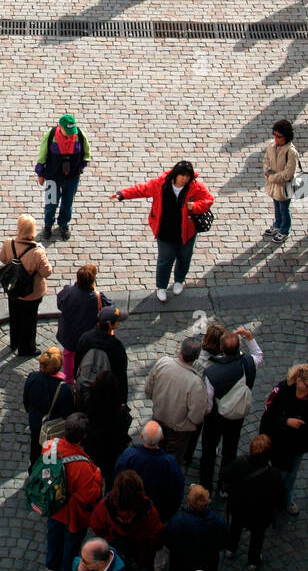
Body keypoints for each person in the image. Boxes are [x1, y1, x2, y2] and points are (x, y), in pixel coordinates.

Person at [112, 157, 213, 303]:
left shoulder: (196, 187)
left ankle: (179, 280)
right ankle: (161, 287)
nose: (184, 179)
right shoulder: (160, 184)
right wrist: (122, 194)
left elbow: (208, 200)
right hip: (165, 231)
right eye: (182, 175)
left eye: (187, 176)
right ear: (175, 174)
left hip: (186, 232)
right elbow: (141, 189)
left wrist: (195, 206)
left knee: (184, 258)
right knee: (165, 260)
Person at [199, 327, 264, 491]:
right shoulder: (249, 363)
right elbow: (258, 355)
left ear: (221, 348)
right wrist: (250, 338)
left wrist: (207, 415)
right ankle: (224, 486)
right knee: (230, 450)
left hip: (215, 418)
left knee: (208, 451)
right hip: (237, 415)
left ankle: (205, 487)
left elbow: (208, 402)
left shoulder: (212, 372)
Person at [43, 414, 104, 571]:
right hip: (72, 514)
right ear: (83, 436)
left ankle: (51, 563)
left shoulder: (49, 446)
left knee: (53, 535)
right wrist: (97, 475)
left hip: (53, 505)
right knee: (72, 543)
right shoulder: (82, 466)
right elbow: (90, 495)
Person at [259, 363, 308, 515]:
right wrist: (286, 421)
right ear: (299, 381)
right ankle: (274, 499)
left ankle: (287, 500)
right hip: (280, 443)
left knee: (292, 474)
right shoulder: (281, 392)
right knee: (280, 473)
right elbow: (268, 416)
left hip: (299, 443)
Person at [221, 434, 284, 571]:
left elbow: (224, 475)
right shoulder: (274, 474)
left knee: (235, 526)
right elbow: (279, 497)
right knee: (257, 536)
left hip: (238, 507)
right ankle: (253, 561)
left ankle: (231, 548)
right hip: (260, 514)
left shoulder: (239, 463)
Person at [146, 337, 210, 466]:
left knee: (153, 454)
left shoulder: (163, 363)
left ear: (180, 351)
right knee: (172, 461)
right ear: (196, 358)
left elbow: (148, 389)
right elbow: (196, 416)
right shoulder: (196, 383)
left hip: (158, 418)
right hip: (179, 431)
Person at [0, 214, 52, 356]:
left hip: (13, 289)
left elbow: (3, 259)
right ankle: (27, 347)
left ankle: (14, 342)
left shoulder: (8, 243)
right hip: (32, 292)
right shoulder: (37, 252)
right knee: (29, 320)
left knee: (14, 316)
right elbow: (46, 272)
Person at [90, 470, 163, 571]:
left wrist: (107, 538)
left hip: (113, 552)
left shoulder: (104, 507)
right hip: (138, 557)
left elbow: (96, 525)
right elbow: (155, 539)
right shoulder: (150, 513)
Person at [114, 422, 185, 524]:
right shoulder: (170, 462)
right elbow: (177, 491)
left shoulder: (129, 455)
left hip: (129, 509)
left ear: (141, 436)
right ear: (161, 438)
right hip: (156, 513)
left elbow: (116, 478)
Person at [36, 113, 92, 241]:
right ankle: (48, 226)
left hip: (72, 178)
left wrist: (80, 167)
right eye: (67, 131)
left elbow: (86, 154)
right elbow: (42, 156)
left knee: (67, 203)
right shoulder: (50, 135)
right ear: (60, 127)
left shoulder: (79, 135)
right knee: (51, 204)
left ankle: (63, 224)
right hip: (52, 177)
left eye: (71, 131)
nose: (70, 134)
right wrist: (40, 174)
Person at [56, 264, 113, 383]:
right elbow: (110, 310)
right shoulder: (97, 297)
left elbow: (59, 305)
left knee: (68, 354)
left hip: (68, 333)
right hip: (87, 336)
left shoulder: (67, 291)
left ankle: (69, 380)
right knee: (86, 359)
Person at [164, 484, 230, 571]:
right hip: (207, 567)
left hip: (182, 567)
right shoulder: (218, 522)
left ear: (189, 503)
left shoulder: (177, 522)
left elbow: (169, 542)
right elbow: (223, 542)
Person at [23, 347, 76, 468]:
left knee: (35, 447)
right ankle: (46, 478)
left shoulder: (32, 377)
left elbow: (26, 400)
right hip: (52, 427)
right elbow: (67, 413)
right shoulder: (63, 389)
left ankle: (33, 469)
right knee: (49, 455)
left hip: (35, 421)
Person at [262, 118, 299, 243]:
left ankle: (284, 230)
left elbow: (288, 173)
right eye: (275, 135)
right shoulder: (272, 146)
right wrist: (267, 170)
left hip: (284, 186)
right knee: (276, 206)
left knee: (284, 209)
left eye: (279, 136)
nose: (276, 138)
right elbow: (266, 160)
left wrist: (272, 177)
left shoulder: (291, 152)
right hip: (274, 185)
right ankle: (277, 224)